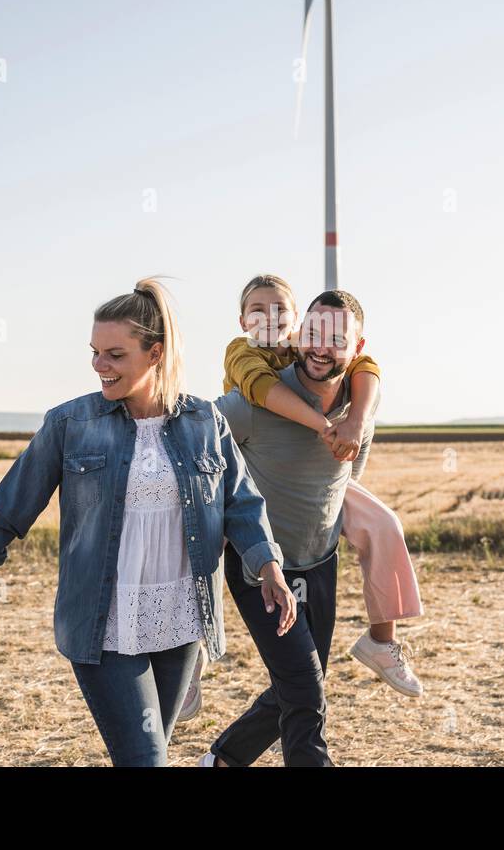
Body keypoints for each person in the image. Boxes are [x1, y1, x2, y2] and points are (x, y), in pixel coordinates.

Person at [0, 277, 295, 767]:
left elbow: (241, 505)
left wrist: (270, 568)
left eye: (114, 354)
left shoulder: (205, 422)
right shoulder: (70, 425)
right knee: (147, 761)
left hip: (179, 623)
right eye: (94, 352)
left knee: (149, 753)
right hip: (103, 628)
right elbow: (3, 520)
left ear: (155, 353)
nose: (98, 366)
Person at [180, 274, 423, 723]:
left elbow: (367, 364)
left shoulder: (314, 351)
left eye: (280, 313)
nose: (269, 321)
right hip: (247, 485)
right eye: (258, 311)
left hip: (319, 492)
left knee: (385, 525)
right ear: (242, 320)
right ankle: (192, 652)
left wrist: (355, 421)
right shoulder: (244, 353)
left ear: (295, 323)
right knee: (201, 548)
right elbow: (255, 393)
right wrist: (324, 426)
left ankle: (382, 637)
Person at [201, 287, 384, 767]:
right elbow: (198, 445)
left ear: (357, 349)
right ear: (300, 332)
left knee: (305, 680)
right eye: (314, 333)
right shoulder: (254, 401)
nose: (322, 348)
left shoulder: (359, 403)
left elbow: (349, 472)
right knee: (305, 691)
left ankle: (223, 759)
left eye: (337, 339)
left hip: (320, 558)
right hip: (260, 566)